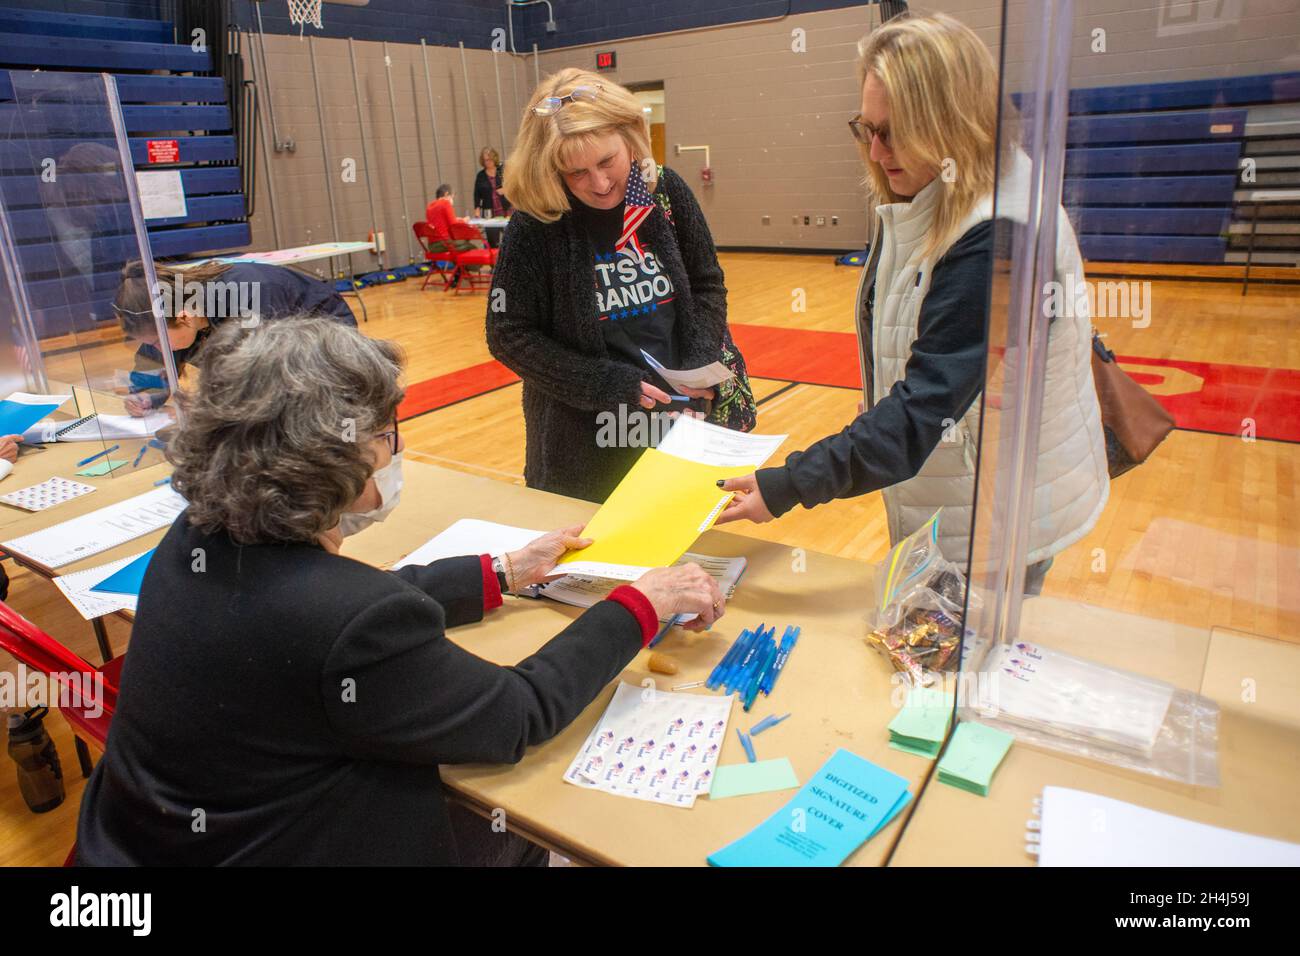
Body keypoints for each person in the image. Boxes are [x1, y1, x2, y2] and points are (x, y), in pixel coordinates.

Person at [75, 317, 725, 866]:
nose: (394, 450)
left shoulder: (194, 536)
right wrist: (644, 602)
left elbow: (344, 618)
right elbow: (515, 714)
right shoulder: (347, 618)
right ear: (337, 458)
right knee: (543, 837)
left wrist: (502, 570)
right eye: (386, 436)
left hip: (142, 845)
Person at [715, 14, 1108, 595]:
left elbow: (919, 414)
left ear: (954, 123)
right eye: (866, 128)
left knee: (964, 672)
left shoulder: (994, 233)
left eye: (895, 132)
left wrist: (786, 484)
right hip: (962, 486)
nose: (875, 150)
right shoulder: (950, 187)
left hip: (993, 514)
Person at [487, 68, 754, 503]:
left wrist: (698, 361)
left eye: (607, 161)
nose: (599, 183)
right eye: (575, 173)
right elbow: (507, 333)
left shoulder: (665, 190)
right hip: (585, 447)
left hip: (680, 430)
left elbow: (706, 284)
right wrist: (603, 383)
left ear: (631, 138)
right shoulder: (536, 223)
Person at [112, 259, 356, 415]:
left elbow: (263, 375)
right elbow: (155, 363)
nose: (157, 348)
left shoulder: (251, 297)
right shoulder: (174, 314)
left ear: (184, 318)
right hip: (277, 347)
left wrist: (208, 407)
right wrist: (145, 395)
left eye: (156, 342)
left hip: (327, 336)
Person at [473, 147, 511, 248]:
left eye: (489, 159)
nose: (487, 162)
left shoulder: (502, 170)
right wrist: (476, 209)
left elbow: (514, 185)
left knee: (511, 237)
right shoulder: (480, 176)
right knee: (493, 241)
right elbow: (476, 194)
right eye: (485, 160)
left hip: (505, 208)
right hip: (489, 211)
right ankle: (495, 262)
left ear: (494, 158)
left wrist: (506, 189)